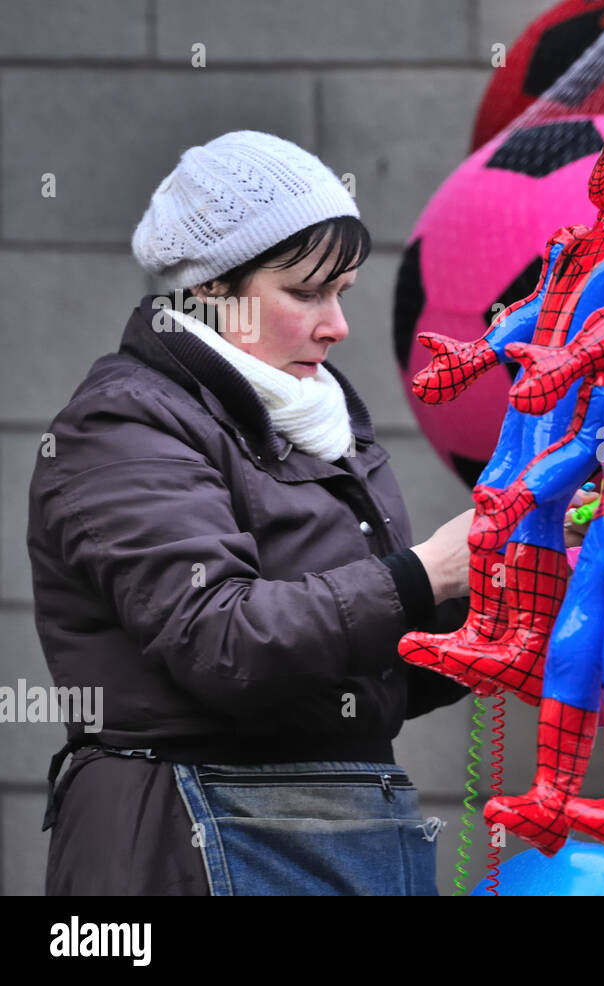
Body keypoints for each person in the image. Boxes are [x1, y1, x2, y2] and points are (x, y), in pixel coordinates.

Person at [27, 130, 476, 896]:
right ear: (208, 288)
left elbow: (372, 672)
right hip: (190, 839)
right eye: (305, 293)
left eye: (343, 292)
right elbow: (222, 641)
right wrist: (426, 573)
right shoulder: (123, 424)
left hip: (321, 834)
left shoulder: (312, 419)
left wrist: (511, 590)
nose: (336, 326)